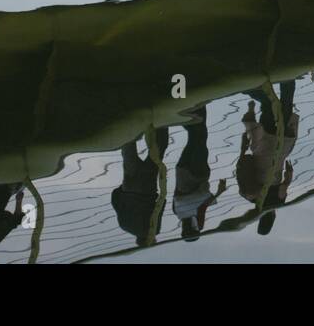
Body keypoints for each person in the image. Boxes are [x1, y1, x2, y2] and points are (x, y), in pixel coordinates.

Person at [236, 81, 298, 235]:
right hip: (262, 147)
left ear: (273, 218)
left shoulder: (278, 202)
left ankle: (288, 80)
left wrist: (289, 173)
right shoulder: (253, 199)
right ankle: (252, 88)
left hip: (280, 148)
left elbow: (284, 185)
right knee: (269, 108)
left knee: (285, 108)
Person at [110, 127, 170, 248]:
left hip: (147, 189)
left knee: (159, 148)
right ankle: (127, 119)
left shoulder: (153, 230)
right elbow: (115, 200)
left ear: (150, 240)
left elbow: (159, 207)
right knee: (128, 149)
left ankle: (161, 124)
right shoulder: (125, 226)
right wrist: (123, 190)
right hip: (129, 187)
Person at [174, 106, 226, 241]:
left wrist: (220, 191)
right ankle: (188, 112)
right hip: (181, 171)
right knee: (194, 138)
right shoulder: (177, 212)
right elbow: (176, 193)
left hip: (197, 173)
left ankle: (195, 108)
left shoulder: (198, 223)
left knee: (201, 135)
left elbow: (203, 206)